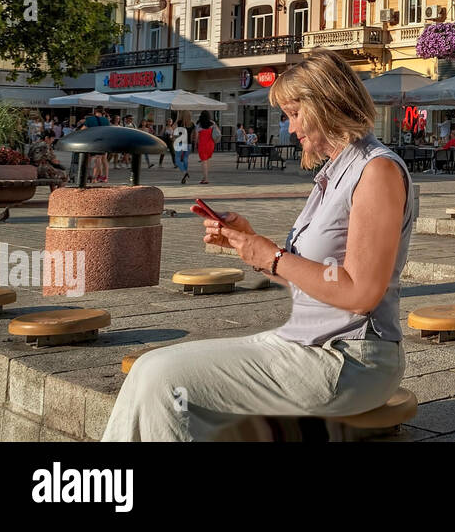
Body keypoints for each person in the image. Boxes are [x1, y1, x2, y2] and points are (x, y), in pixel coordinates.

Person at [103, 49, 414, 441]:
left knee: (162, 377)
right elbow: (316, 284)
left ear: (327, 104)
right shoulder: (337, 173)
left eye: (294, 113)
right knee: (154, 370)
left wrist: (274, 256)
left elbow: (361, 293)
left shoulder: (376, 171)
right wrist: (249, 246)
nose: (289, 128)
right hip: (311, 345)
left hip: (350, 361)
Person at [195, 112, 217, 185]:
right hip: (211, 144)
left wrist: (195, 144)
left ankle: (206, 178)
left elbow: (197, 136)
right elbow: (217, 132)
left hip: (202, 144)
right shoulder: (212, 123)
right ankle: (204, 177)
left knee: (203, 161)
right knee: (206, 161)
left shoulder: (199, 124)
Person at [172, 119, 190, 185]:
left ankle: (184, 172)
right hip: (186, 144)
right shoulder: (188, 127)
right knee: (185, 159)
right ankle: (184, 176)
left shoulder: (177, 128)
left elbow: (173, 137)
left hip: (179, 144)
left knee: (177, 160)